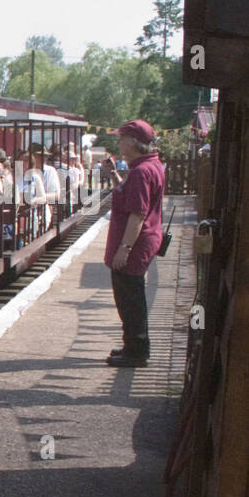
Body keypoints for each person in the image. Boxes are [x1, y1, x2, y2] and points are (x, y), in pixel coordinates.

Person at [104, 120, 166, 367]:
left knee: (130, 298)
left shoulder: (141, 171)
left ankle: (137, 351)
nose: (118, 143)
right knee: (130, 296)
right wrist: (114, 175)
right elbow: (131, 196)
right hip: (144, 240)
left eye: (121, 139)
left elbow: (137, 214)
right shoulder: (149, 166)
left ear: (131, 142)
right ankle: (132, 344)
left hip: (135, 244)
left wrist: (124, 249)